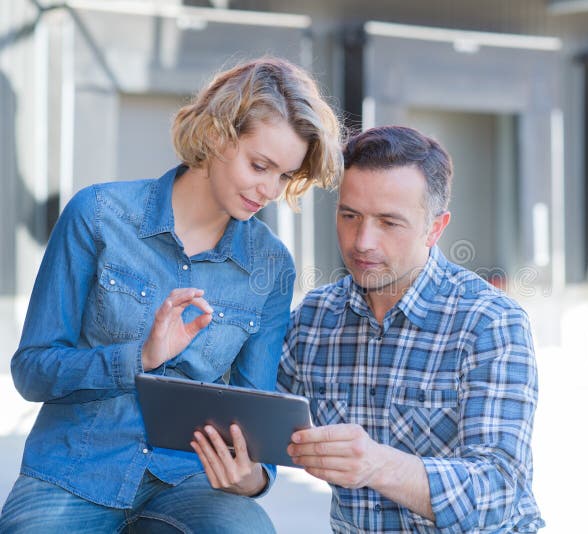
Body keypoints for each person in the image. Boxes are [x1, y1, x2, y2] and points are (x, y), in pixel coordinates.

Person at [0, 56, 342, 533]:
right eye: (259, 165)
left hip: (189, 482)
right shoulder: (97, 216)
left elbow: (254, 402)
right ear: (216, 134)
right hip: (74, 469)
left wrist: (252, 477)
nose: (269, 190)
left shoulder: (271, 266)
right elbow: (32, 371)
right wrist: (138, 357)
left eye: (284, 176)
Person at [278, 125, 544, 532]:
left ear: (435, 228)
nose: (362, 241)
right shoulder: (314, 319)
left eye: (389, 222)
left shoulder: (489, 322)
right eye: (350, 216)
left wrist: (377, 464)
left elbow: (498, 492)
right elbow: (258, 424)